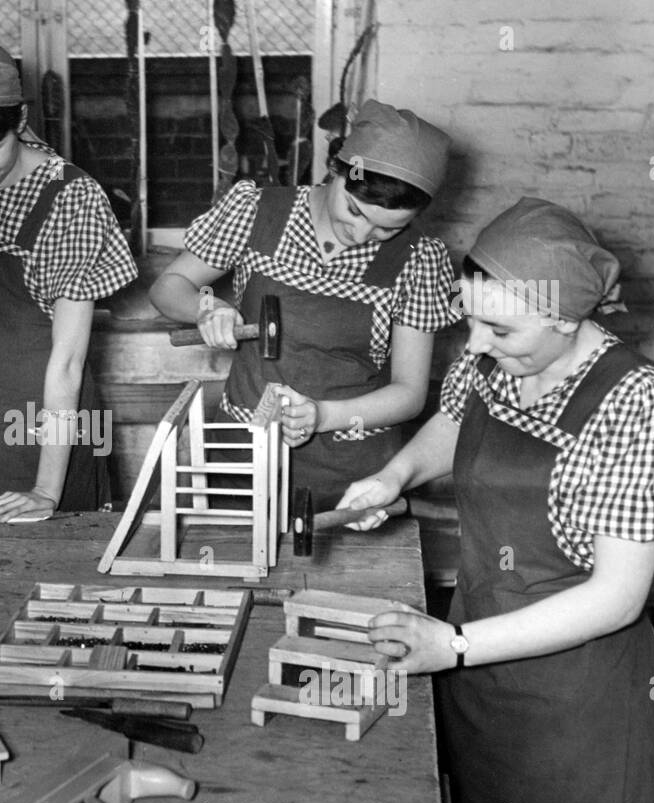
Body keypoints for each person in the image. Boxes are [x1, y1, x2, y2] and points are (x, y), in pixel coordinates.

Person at [337, 198, 654, 803]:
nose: (474, 344)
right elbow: (452, 426)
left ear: (567, 318)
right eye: (470, 319)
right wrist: (395, 474)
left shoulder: (638, 407)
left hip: (575, 701)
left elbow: (617, 598)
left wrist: (455, 645)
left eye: (499, 328)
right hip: (475, 668)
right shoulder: (495, 358)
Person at [150, 100, 458, 506]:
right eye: (353, 210)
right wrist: (205, 308)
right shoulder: (257, 211)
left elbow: (409, 392)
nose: (362, 232)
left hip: (352, 476)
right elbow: (169, 286)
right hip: (244, 457)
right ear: (336, 170)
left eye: (389, 228)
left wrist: (323, 415)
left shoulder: (420, 259)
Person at [0, 42, 138, 562]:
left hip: (50, 414)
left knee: (50, 567)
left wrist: (45, 491)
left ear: (19, 121)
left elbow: (68, 360)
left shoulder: (71, 198)